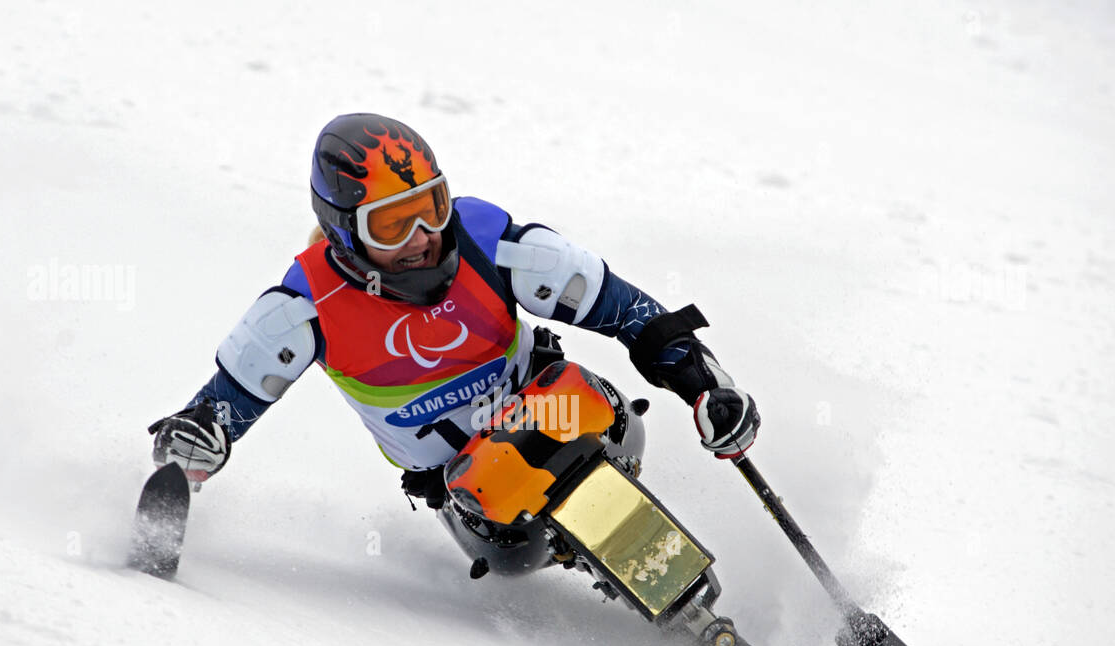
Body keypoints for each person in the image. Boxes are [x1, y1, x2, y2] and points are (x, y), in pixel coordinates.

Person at [149, 113, 759, 518]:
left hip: (577, 419)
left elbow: (629, 313)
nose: (422, 236)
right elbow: (224, 403)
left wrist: (706, 387)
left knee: (580, 407)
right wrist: (196, 444)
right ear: (343, 232)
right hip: (472, 497)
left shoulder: (485, 240)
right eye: (392, 223)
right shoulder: (307, 305)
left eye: (431, 205)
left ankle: (685, 593)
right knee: (494, 482)